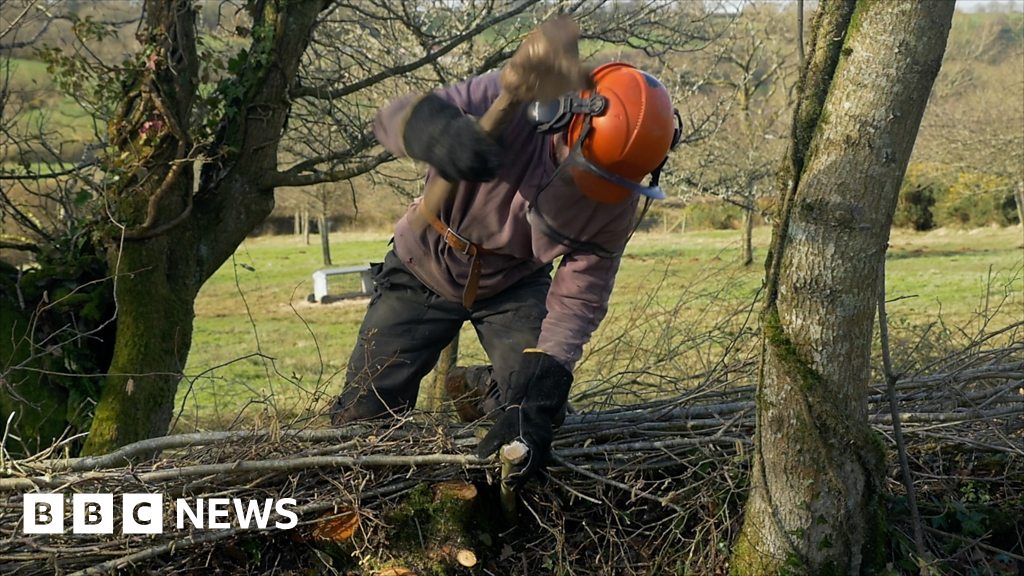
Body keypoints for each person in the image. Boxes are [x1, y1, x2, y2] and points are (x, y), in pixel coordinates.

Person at [330, 54, 679, 484]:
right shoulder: (513, 97)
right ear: (565, 119)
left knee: (536, 412)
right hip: (425, 263)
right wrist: (437, 132)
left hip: (515, 281)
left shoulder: (617, 199)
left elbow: (580, 296)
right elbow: (391, 117)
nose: (595, 188)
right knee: (363, 415)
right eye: (590, 168)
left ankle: (482, 390)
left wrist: (544, 384)